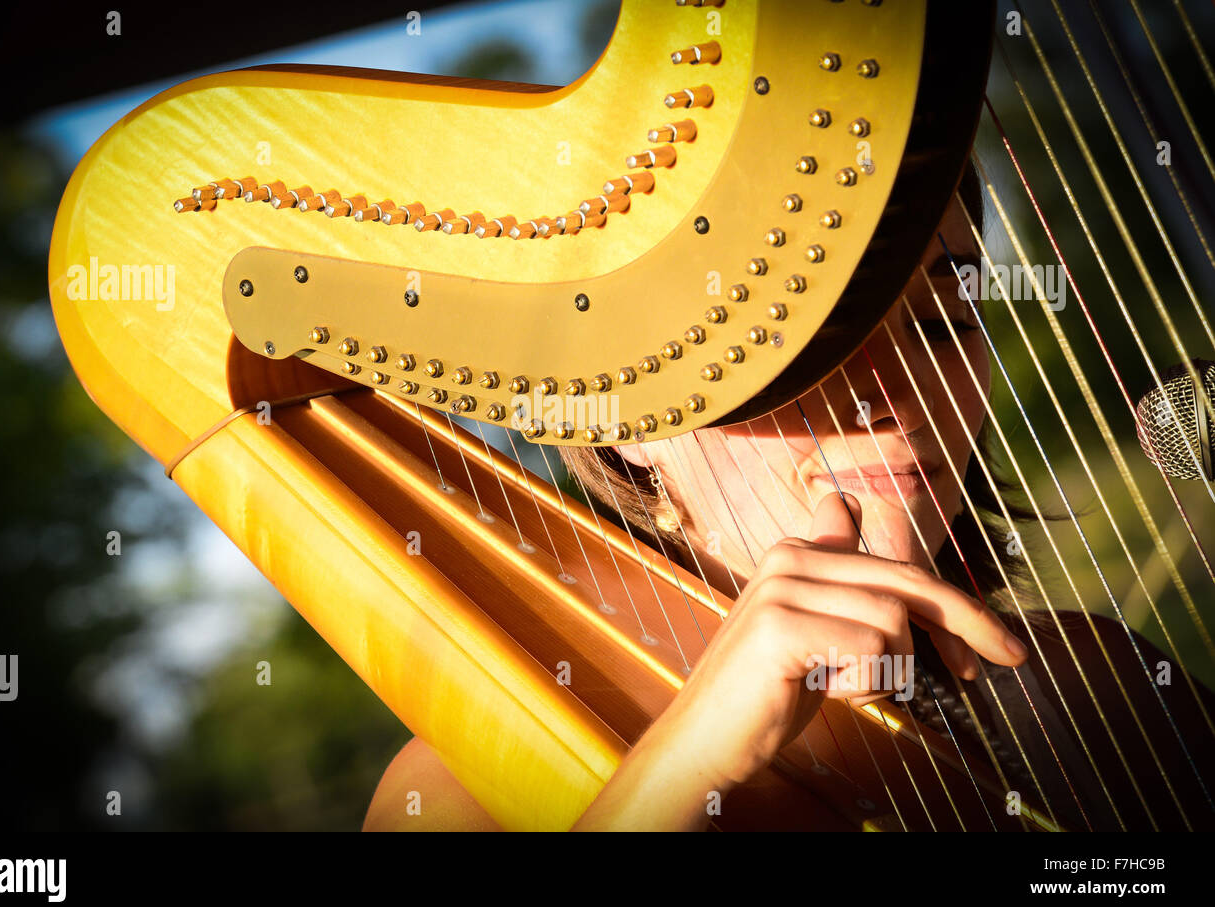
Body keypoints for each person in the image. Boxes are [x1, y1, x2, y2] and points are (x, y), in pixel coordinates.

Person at [363, 165, 1215, 831]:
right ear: (629, 421)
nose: (903, 392)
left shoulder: (1107, 685)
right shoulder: (468, 793)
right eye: (806, 345)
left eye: (948, 318)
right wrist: (678, 781)